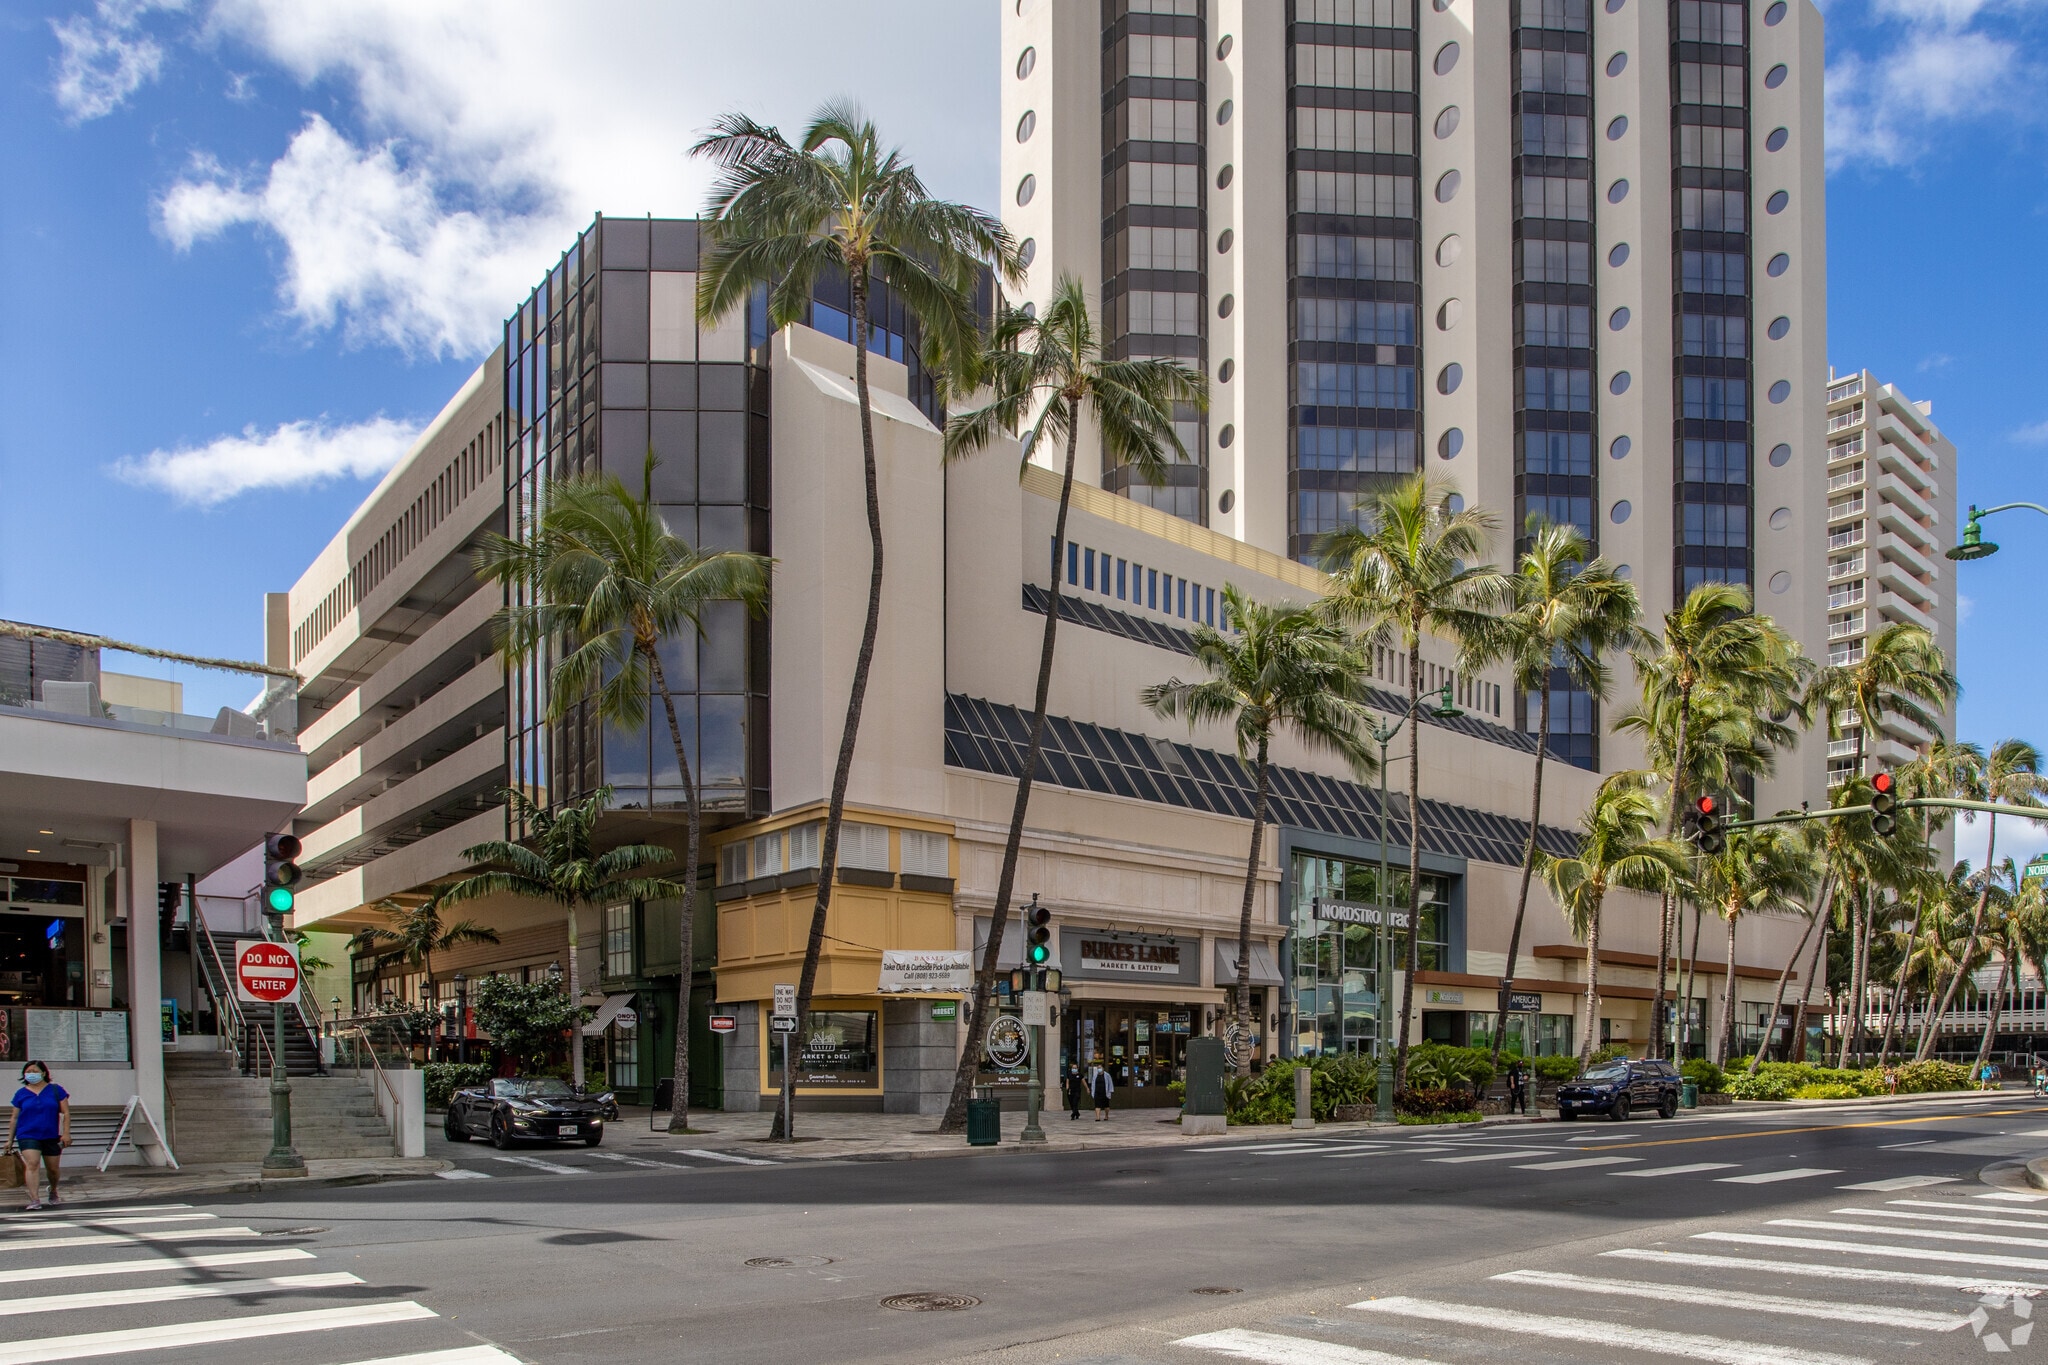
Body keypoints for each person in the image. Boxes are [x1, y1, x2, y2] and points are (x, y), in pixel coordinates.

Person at [8, 1061, 70, 1211]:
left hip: (50, 1134)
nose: (31, 1074)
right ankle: (35, 1199)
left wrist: (66, 1133)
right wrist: (9, 1139)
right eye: (28, 1071)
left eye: (35, 1071)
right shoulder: (21, 1094)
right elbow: (14, 1118)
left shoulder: (56, 1090)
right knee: (32, 1163)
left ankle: (53, 1190)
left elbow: (66, 1113)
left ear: (43, 1073)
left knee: (53, 1169)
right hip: (27, 1134)